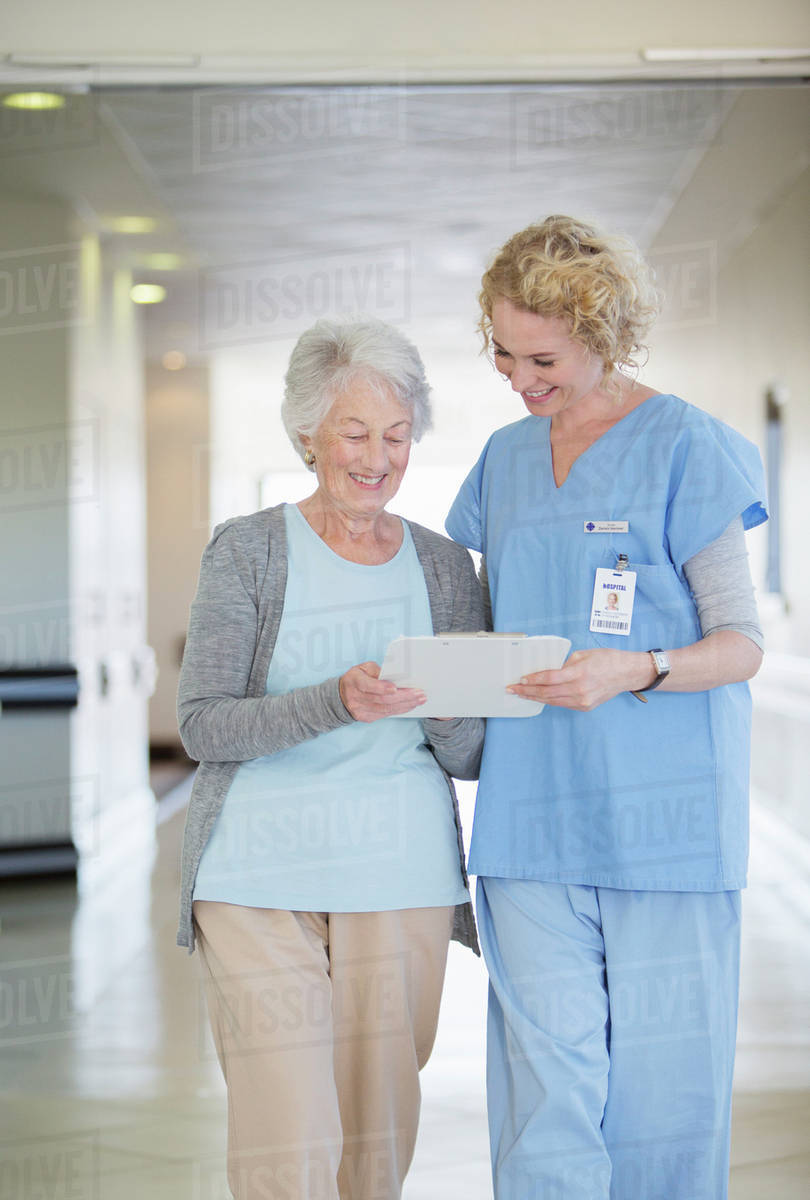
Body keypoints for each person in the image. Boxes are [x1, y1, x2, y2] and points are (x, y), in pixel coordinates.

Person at [445, 215, 767, 1200]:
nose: (518, 375)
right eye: (502, 351)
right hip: (529, 822)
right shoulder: (503, 460)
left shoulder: (688, 446)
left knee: (665, 1102)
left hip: (666, 829)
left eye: (541, 356)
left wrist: (639, 669)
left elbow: (740, 644)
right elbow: (494, 632)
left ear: (604, 332)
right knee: (546, 1090)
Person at [176, 317, 484, 1200]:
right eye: (355, 432)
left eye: (397, 435)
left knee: (375, 1139)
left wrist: (448, 700)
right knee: (290, 1131)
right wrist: (336, 701)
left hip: (400, 873)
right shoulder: (248, 549)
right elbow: (202, 725)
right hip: (255, 874)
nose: (378, 457)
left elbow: (466, 755)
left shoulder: (444, 566)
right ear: (307, 432)